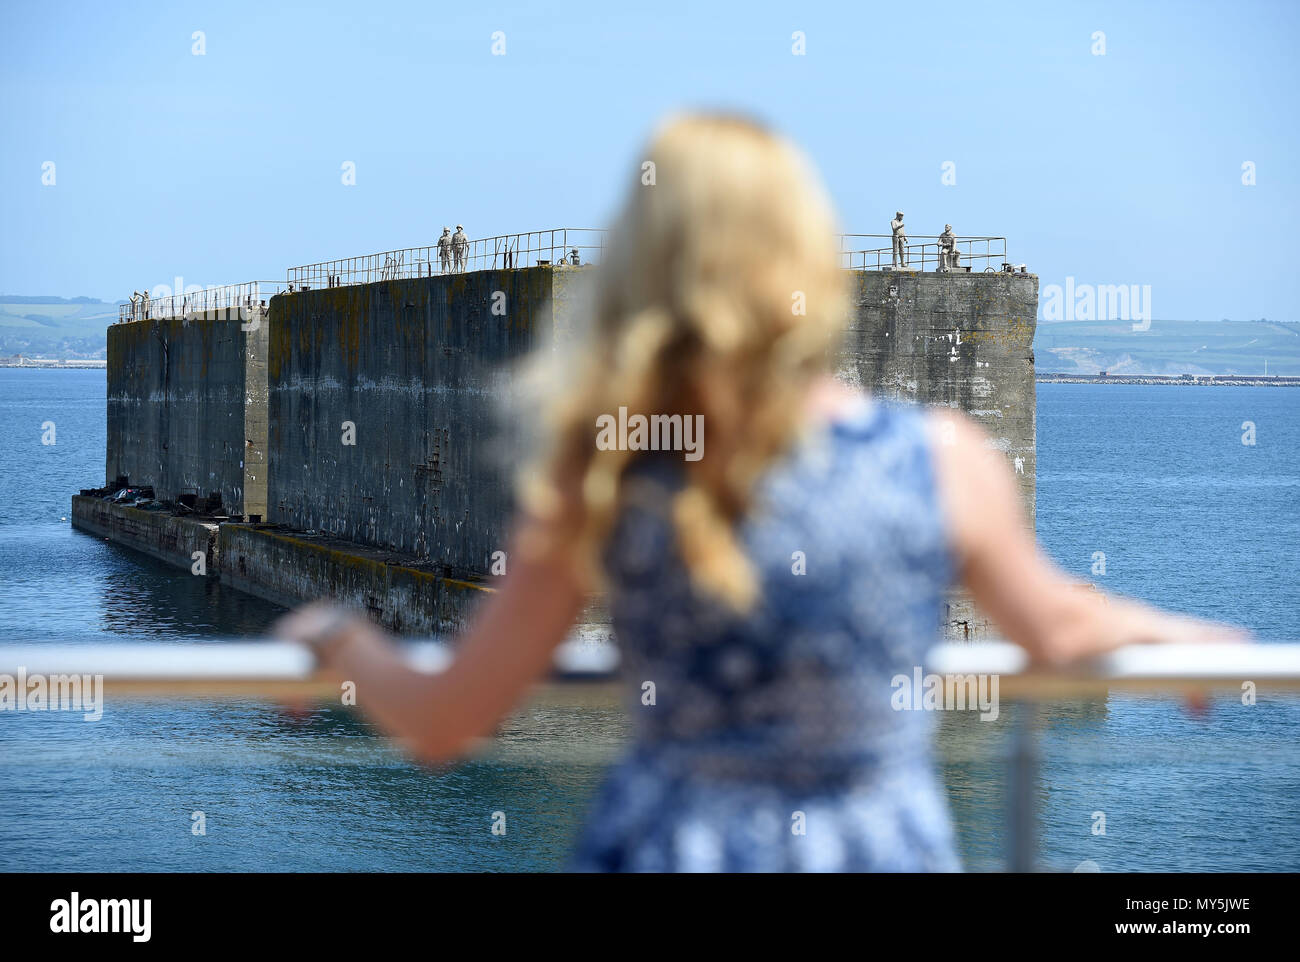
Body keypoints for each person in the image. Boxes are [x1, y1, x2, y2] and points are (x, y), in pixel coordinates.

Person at [275, 114, 1241, 872]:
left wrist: (333, 639)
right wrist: (1189, 635)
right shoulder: (941, 457)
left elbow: (450, 719)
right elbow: (1060, 633)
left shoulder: (608, 466)